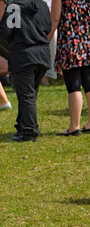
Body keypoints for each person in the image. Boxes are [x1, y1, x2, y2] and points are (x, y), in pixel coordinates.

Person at [0, 0, 51, 142]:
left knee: (26, 96)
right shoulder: (42, 4)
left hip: (23, 55)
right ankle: (22, 126)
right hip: (42, 53)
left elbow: (5, 32)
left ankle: (30, 132)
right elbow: (49, 26)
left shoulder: (14, 5)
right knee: (30, 95)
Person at [49, 0, 89, 136]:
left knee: (73, 85)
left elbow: (54, 19)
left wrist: (46, 39)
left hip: (70, 41)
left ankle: (74, 127)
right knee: (89, 84)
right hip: (88, 40)